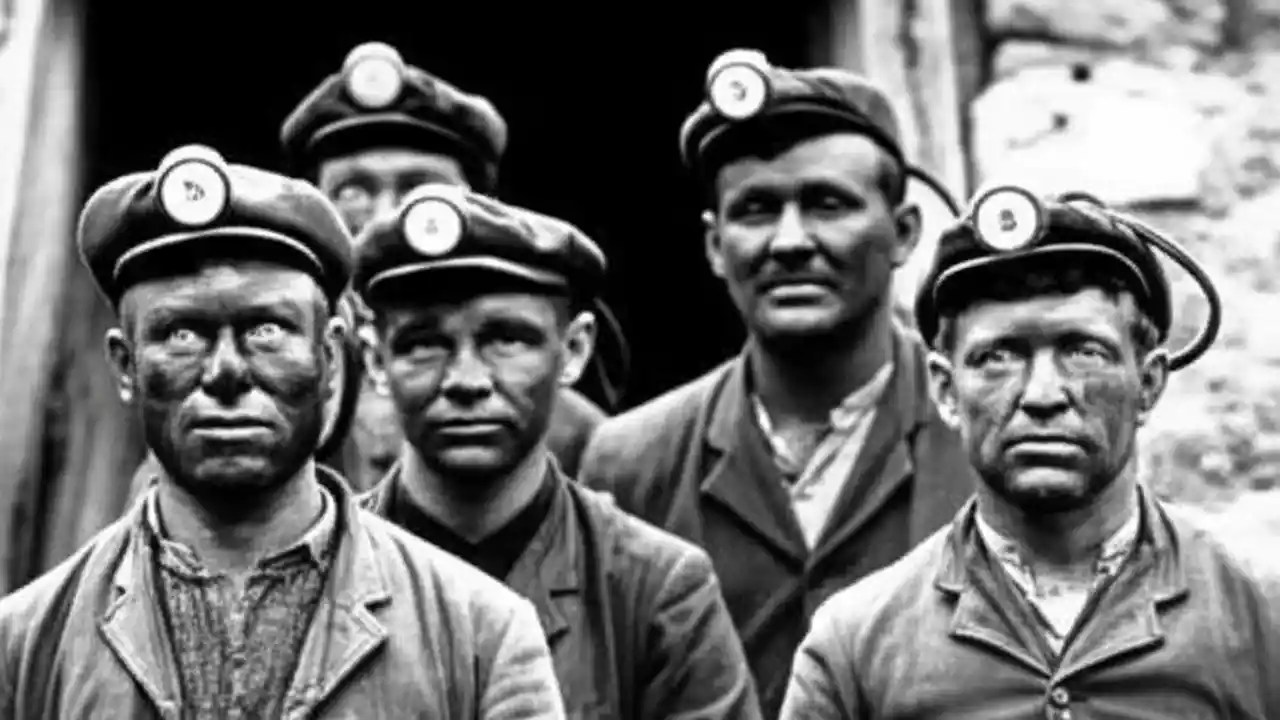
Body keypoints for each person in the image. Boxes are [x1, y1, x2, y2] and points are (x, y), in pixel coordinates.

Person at [0, 145, 565, 719]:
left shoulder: (482, 636)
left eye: (266, 329)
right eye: (182, 333)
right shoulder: (20, 647)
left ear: (330, 360)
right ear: (125, 366)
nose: (226, 372)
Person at [779, 186, 1280, 719]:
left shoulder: (1256, 612)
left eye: (1084, 351)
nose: (1043, 394)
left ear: (1149, 383)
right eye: (998, 356)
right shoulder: (855, 646)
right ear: (947, 391)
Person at [577, 49, 975, 717]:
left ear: (904, 233)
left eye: (827, 203)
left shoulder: (980, 442)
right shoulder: (630, 463)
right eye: (757, 209)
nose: (789, 241)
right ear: (713, 244)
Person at [352, 183, 761, 718]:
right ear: (376, 360)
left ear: (574, 350)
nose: (466, 380)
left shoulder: (654, 590)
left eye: (506, 339)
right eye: (424, 344)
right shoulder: (321, 574)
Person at [280, 41, 625, 487]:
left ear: (482, 206)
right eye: (352, 191)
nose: (385, 213)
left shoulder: (571, 426)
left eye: (420, 188)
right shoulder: (271, 396)